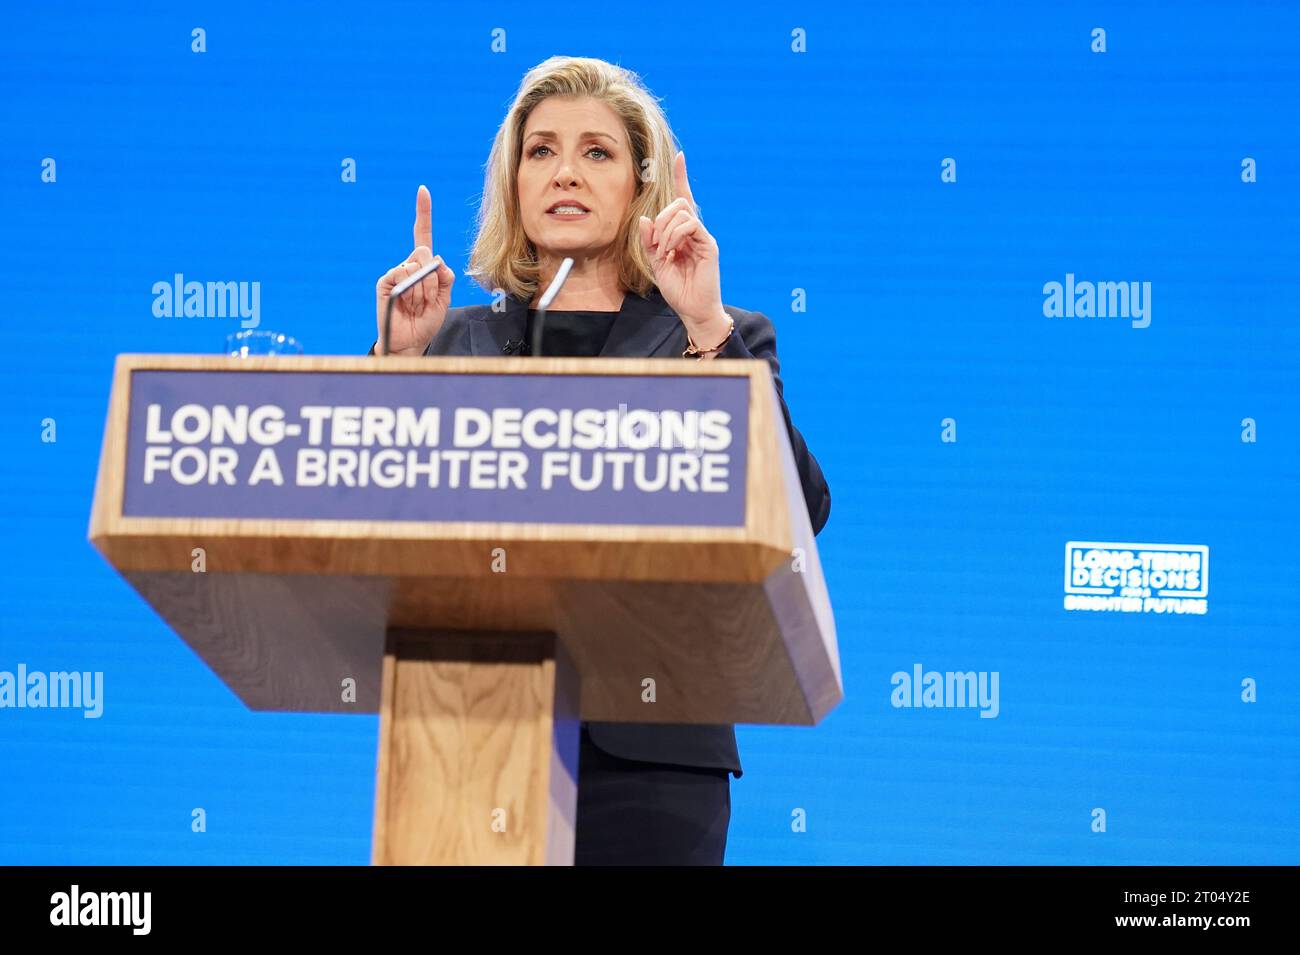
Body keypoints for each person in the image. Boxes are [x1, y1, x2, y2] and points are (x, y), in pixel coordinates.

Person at [371, 55, 830, 865]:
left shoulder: (713, 334)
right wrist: (396, 368)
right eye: (541, 151)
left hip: (653, 759)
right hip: (469, 734)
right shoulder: (455, 340)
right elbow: (366, 529)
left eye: (597, 152)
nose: (565, 173)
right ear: (514, 182)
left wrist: (708, 332)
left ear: (641, 185)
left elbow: (797, 507)